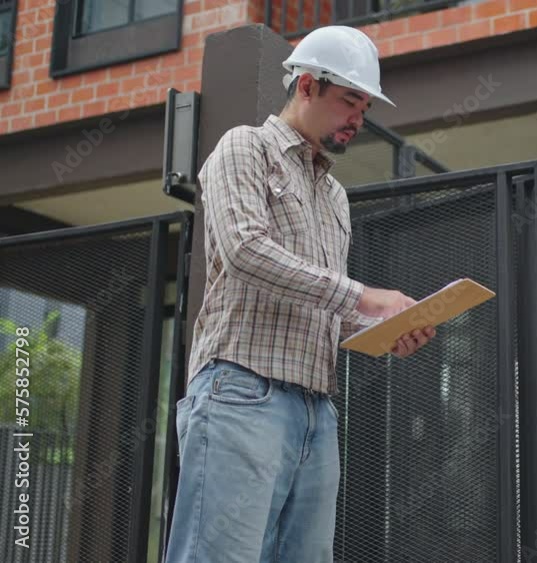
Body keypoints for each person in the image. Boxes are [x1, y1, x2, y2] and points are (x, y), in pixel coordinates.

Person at [165, 26, 435, 563]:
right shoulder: (245, 147)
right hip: (242, 391)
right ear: (308, 86)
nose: (359, 117)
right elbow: (246, 251)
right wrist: (364, 296)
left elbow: (327, 309)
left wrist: (386, 332)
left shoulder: (335, 196)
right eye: (350, 100)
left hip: (317, 410)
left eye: (365, 105)